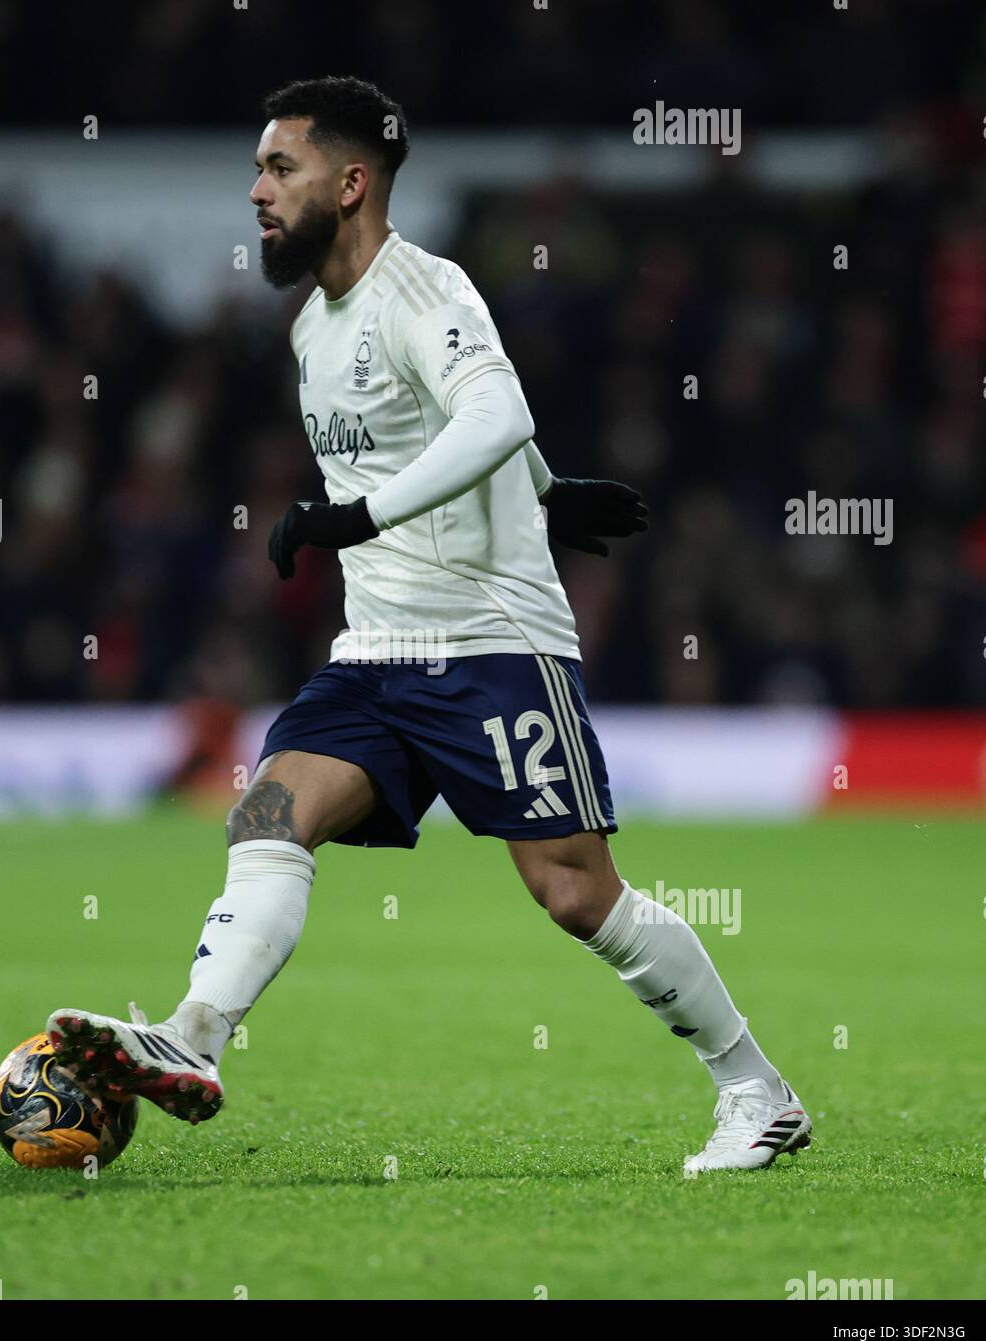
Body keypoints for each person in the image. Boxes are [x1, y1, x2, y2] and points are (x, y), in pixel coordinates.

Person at [48, 76, 810, 1176]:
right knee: (268, 812)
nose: (257, 191)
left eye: (281, 168)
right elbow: (460, 427)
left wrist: (361, 515)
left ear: (351, 183)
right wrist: (546, 491)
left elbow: (495, 409)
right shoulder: (312, 324)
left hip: (491, 644)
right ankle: (194, 1037)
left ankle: (756, 1091)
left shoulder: (425, 286)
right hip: (374, 652)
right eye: (259, 169)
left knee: (574, 893)